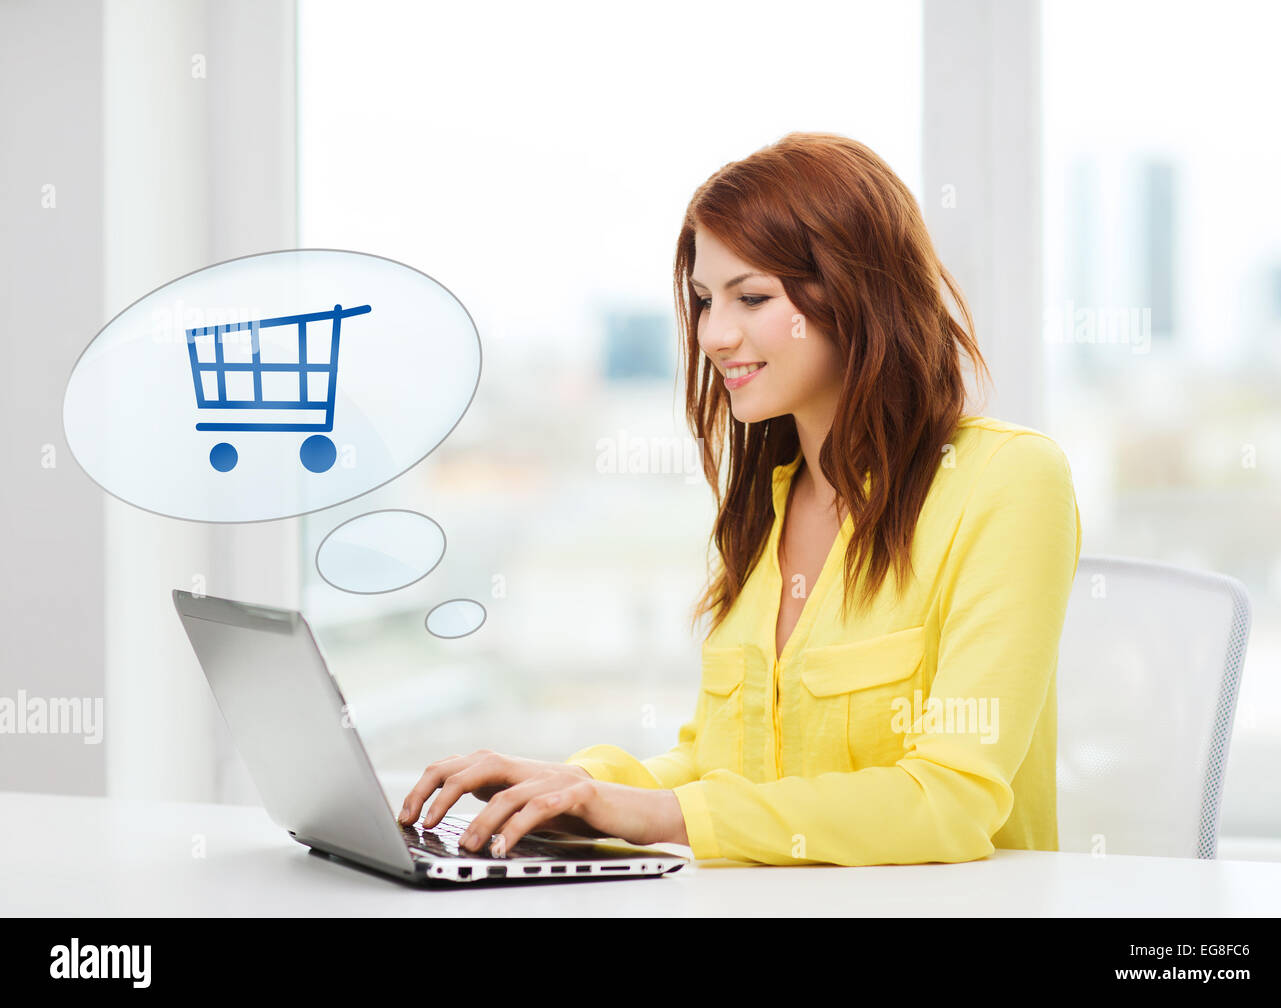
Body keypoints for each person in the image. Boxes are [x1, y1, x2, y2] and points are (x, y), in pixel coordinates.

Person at [398, 131, 1082, 866]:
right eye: (702, 300)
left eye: (752, 297)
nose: (715, 334)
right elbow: (720, 771)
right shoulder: (771, 505)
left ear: (859, 292)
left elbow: (948, 801)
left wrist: (652, 813)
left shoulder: (1009, 482)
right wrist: (575, 788)